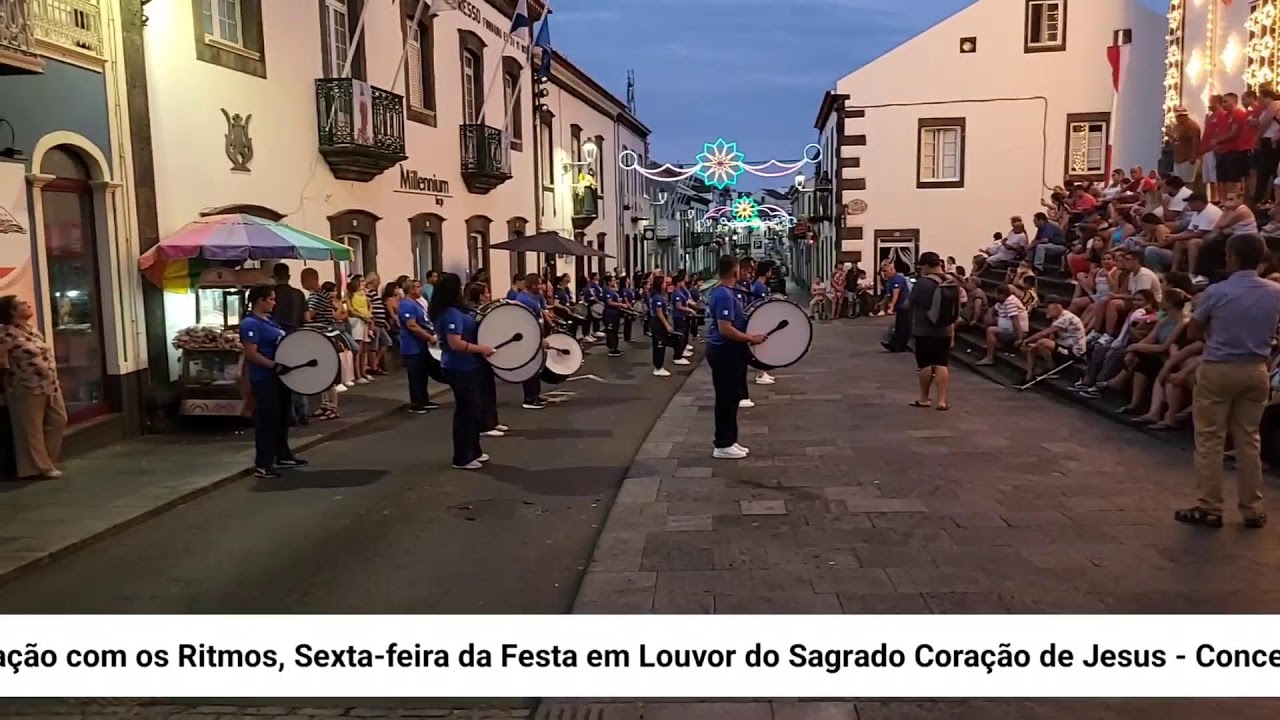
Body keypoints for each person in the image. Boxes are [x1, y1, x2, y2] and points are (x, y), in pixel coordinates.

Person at [1178, 234, 1280, 528]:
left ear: (1231, 257)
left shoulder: (1218, 291)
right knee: (1249, 439)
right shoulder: (1274, 292)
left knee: (1210, 438)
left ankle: (1210, 505)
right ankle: (1252, 508)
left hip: (1220, 366)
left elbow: (1193, 332)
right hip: (1257, 367)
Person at [240, 285, 307, 479]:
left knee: (282, 417)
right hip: (264, 377)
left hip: (280, 376)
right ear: (260, 301)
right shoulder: (250, 324)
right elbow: (251, 353)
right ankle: (263, 463)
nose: (274, 302)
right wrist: (273, 365)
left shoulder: (269, 319)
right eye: (271, 299)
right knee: (267, 421)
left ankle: (282, 454)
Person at [429, 273, 495, 471]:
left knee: (473, 410)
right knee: (467, 412)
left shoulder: (454, 310)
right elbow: (455, 343)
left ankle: (473, 450)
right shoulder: (450, 313)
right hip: (458, 366)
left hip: (466, 365)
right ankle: (461, 457)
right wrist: (481, 349)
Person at [706, 255, 767, 460]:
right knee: (725, 399)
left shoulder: (726, 292)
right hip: (724, 351)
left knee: (731, 399)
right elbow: (725, 329)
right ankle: (722, 444)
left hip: (729, 352)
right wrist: (751, 338)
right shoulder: (724, 295)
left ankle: (730, 440)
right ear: (734, 271)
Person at [0, 295, 67, 479]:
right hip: (25, 387)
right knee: (31, 429)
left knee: (59, 420)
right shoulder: (5, 334)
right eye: (22, 304)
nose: (28, 305)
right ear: (12, 311)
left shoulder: (32, 330)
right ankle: (42, 467)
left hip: (49, 384)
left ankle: (46, 459)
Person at [907, 253, 959, 411]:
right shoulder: (951, 281)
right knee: (942, 363)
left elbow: (908, 303)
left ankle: (924, 398)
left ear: (927, 266)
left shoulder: (922, 283)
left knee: (925, 364)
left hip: (924, 329)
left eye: (921, 266)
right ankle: (942, 400)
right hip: (945, 329)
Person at [467, 282, 509, 438]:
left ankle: (492, 421)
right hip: (478, 356)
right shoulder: (473, 314)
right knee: (482, 391)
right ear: (479, 296)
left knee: (490, 389)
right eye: (486, 293)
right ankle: (485, 425)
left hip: (486, 354)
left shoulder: (483, 311)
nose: (489, 296)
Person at [270, 263, 308, 427]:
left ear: (274, 277)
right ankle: (303, 412)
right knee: (299, 374)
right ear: (289, 276)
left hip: (278, 337)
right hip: (297, 335)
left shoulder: (272, 295)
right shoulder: (298, 294)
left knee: (284, 376)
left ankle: (290, 414)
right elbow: (306, 318)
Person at [1018, 296, 1086, 385]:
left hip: (1074, 351)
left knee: (1042, 342)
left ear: (1056, 306)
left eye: (1048, 308)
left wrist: (1026, 341)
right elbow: (1051, 338)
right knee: (1034, 349)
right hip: (1062, 347)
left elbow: (1044, 333)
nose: (1046, 311)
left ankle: (1052, 369)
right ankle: (1028, 377)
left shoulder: (1066, 318)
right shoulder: (1056, 319)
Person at [398, 279, 439, 415]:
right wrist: (429, 337)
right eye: (418, 287)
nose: (421, 289)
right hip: (412, 345)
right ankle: (416, 403)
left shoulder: (416, 303)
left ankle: (424, 399)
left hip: (422, 345)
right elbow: (412, 325)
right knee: (415, 375)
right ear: (411, 289)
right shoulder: (406, 305)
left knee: (422, 373)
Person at [514, 274, 551, 409]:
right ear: (533, 285)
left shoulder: (528, 298)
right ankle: (529, 398)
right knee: (531, 368)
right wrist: (539, 338)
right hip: (530, 337)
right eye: (539, 284)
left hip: (533, 336)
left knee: (536, 367)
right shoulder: (525, 300)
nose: (541, 286)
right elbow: (528, 323)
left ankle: (535, 394)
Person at [751, 262, 776, 385]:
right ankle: (760, 373)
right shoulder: (759, 286)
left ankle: (762, 371)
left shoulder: (760, 285)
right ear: (766, 272)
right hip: (760, 318)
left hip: (762, 317)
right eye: (770, 271)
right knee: (760, 346)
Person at [648, 274, 673, 377]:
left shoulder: (659, 295)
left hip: (657, 323)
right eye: (664, 283)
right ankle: (658, 367)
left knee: (660, 345)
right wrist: (667, 325)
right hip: (657, 323)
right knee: (659, 345)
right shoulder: (657, 297)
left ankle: (659, 366)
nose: (665, 284)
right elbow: (659, 312)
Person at [670, 271, 693, 366]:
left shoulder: (680, 292)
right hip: (679, 317)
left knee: (683, 335)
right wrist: (689, 310)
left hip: (682, 316)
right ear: (678, 282)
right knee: (680, 336)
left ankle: (681, 351)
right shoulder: (677, 293)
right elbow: (678, 306)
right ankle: (677, 356)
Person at [602, 275, 626, 357]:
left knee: (615, 331)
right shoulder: (608, 291)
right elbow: (609, 302)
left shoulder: (614, 291)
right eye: (613, 280)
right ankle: (612, 349)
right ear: (608, 282)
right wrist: (621, 304)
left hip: (615, 314)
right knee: (611, 331)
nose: (615, 282)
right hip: (610, 314)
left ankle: (615, 348)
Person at [619, 275, 637, 342]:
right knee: (627, 323)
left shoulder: (628, 288)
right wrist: (629, 306)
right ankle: (627, 337)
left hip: (631, 305)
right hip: (627, 308)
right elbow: (625, 298)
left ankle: (628, 336)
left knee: (629, 323)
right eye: (628, 279)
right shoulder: (624, 289)